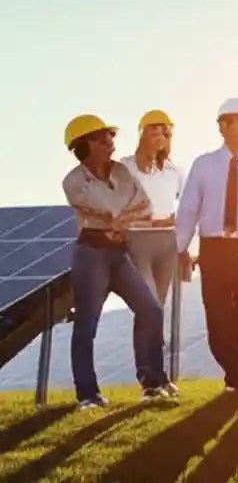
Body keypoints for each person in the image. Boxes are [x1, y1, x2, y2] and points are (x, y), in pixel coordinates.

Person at [61, 114, 173, 409]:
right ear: (83, 146)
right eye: (102, 138)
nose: (111, 142)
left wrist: (116, 218)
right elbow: (106, 210)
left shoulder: (122, 171)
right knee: (87, 325)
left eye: (111, 136)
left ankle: (153, 383)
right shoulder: (72, 181)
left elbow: (144, 205)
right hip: (91, 254)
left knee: (151, 310)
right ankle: (88, 394)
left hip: (120, 253)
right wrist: (118, 215)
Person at [175, 97, 238, 400]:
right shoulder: (204, 165)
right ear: (223, 127)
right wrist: (180, 248)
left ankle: (236, 382)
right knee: (218, 323)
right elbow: (188, 210)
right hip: (215, 250)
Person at [120, 109, 184, 395]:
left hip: (166, 243)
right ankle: (149, 380)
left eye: (165, 132)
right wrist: (141, 219)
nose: (160, 137)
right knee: (148, 309)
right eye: (153, 131)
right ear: (142, 133)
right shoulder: (125, 167)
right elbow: (116, 205)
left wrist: (177, 225)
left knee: (158, 310)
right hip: (138, 241)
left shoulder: (174, 171)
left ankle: (160, 376)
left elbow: (184, 206)